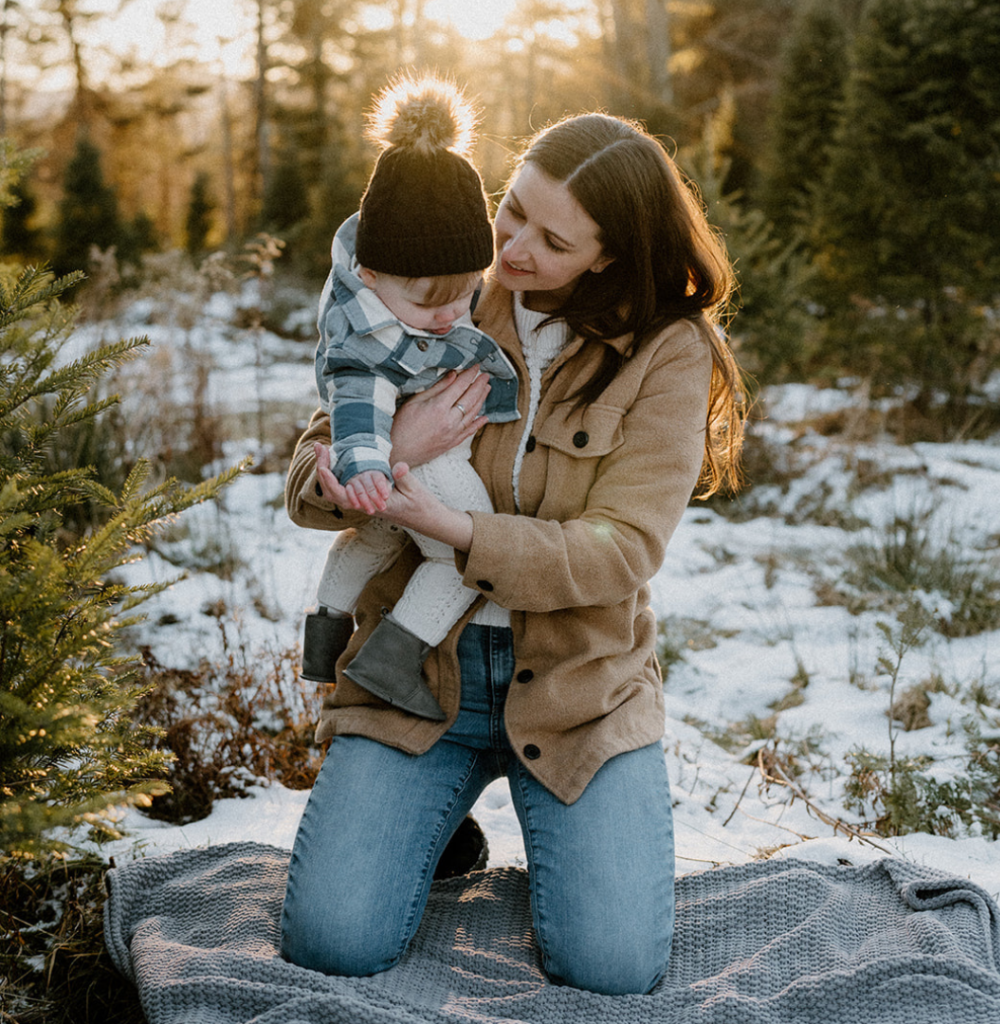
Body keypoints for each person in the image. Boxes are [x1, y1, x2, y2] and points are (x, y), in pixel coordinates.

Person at [280, 108, 745, 995]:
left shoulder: (667, 353)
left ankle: (548, 823)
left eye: (550, 237)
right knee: (333, 939)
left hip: (575, 690)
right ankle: (433, 818)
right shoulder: (448, 280)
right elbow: (308, 465)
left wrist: (461, 532)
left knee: (608, 966)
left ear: (607, 255)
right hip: (419, 677)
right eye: (513, 209)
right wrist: (387, 453)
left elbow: (622, 552)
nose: (512, 248)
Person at [301, 73, 519, 721]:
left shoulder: (399, 296)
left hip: (416, 444)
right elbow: (355, 402)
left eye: (465, 295)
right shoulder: (360, 337)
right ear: (371, 276)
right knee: (465, 551)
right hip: (421, 453)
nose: (453, 316)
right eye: (431, 304)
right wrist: (369, 464)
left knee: (376, 539)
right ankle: (394, 658)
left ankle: (325, 635)